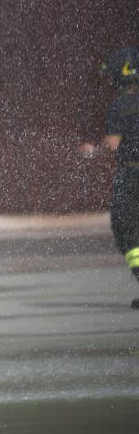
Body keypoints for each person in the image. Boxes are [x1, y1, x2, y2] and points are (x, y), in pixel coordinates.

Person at [80, 46, 139, 309]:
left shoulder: (120, 105)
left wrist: (94, 149)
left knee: (125, 228)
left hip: (131, 173)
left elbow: (113, 144)